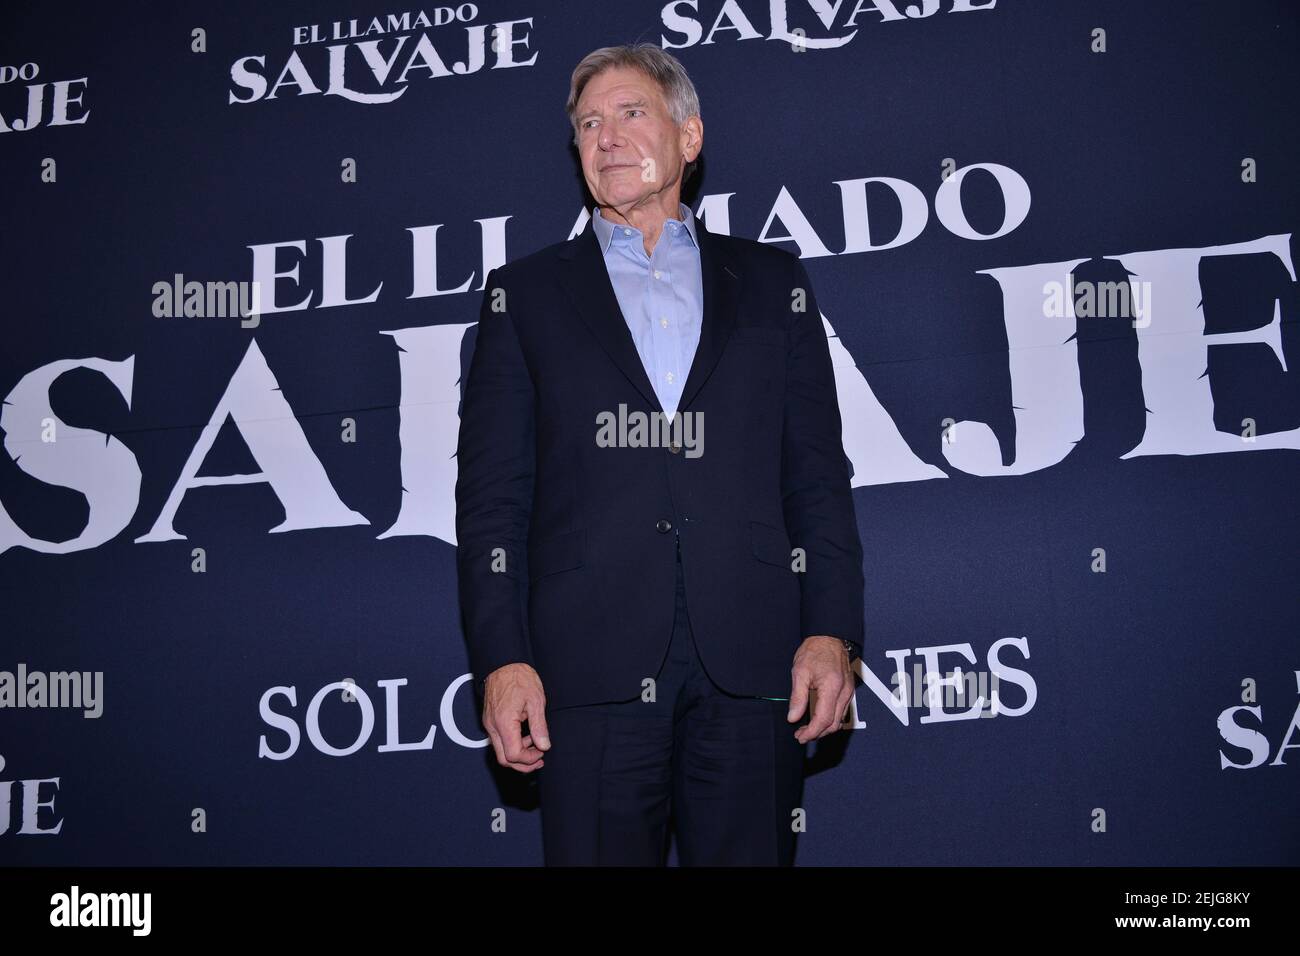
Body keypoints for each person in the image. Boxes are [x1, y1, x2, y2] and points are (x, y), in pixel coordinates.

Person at [455, 42, 864, 865]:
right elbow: (493, 497)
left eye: (630, 113)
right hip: (586, 667)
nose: (605, 136)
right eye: (588, 124)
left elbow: (816, 475)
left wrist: (833, 633)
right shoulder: (523, 296)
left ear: (690, 135)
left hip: (754, 662)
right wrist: (502, 660)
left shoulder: (772, 281)